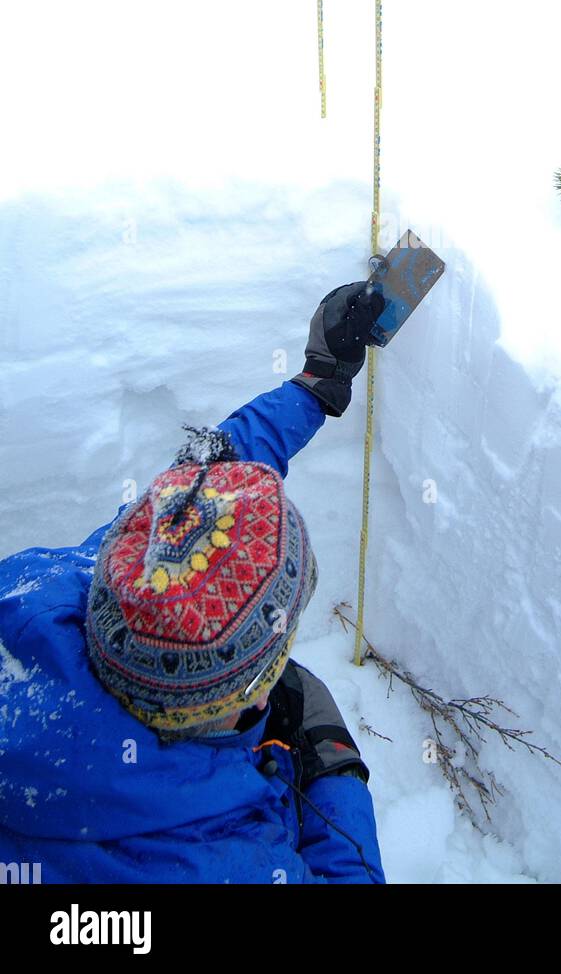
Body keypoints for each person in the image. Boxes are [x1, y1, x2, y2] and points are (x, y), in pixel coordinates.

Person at [0, 282, 387, 884]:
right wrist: (334, 771)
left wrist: (316, 383)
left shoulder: (51, 589)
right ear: (245, 695)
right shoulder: (220, 862)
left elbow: (206, 482)